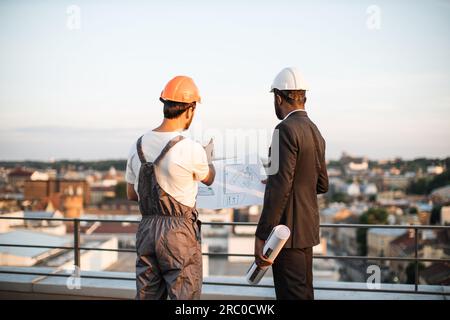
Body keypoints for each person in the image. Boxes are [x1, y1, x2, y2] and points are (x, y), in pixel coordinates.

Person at [126, 75, 215, 300]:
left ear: (164, 105)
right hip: (178, 234)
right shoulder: (190, 148)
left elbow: (130, 194)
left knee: (147, 295)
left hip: (146, 229)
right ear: (190, 109)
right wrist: (207, 158)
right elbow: (209, 178)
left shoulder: (137, 145)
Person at [254, 67, 328, 300]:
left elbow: (280, 189)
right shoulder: (315, 131)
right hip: (307, 232)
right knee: (303, 294)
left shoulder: (284, 130)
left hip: (286, 236)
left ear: (278, 98)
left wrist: (262, 235)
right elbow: (322, 184)